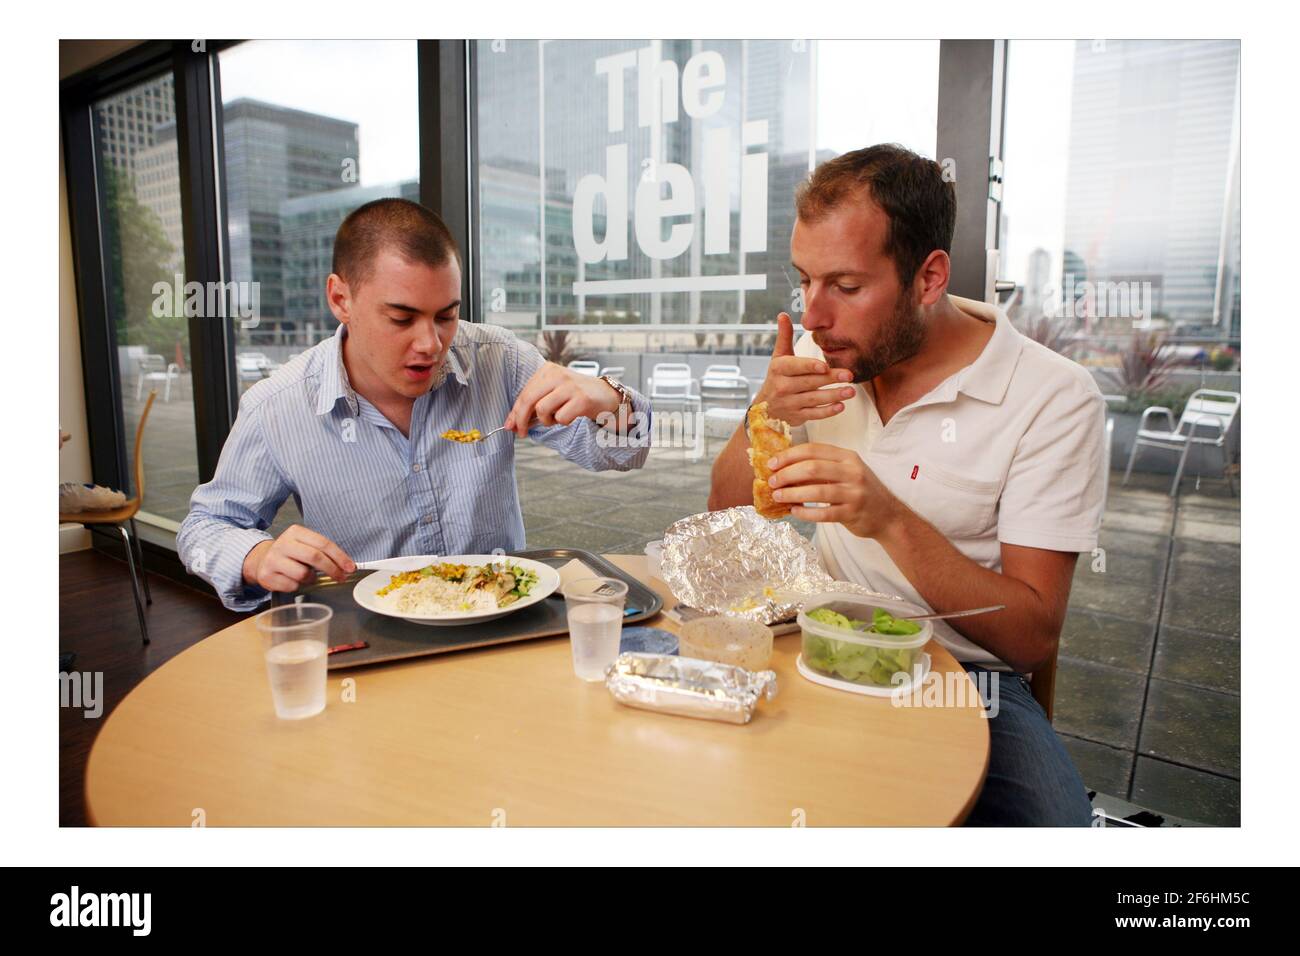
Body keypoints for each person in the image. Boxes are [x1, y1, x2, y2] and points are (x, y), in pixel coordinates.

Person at [708, 144, 1105, 826]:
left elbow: (1031, 636)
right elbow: (724, 510)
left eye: (846, 286)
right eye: (805, 281)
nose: (814, 317)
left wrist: (889, 519)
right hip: (817, 639)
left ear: (929, 279)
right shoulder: (821, 356)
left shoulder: (1053, 398)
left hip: (968, 677)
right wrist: (764, 416)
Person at [179, 198, 650, 612]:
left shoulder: (498, 359)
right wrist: (257, 556)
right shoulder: (276, 406)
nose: (430, 344)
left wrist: (611, 398)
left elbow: (627, 451)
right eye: (402, 318)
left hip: (499, 615)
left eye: (446, 316)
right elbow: (204, 526)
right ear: (341, 299)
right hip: (370, 632)